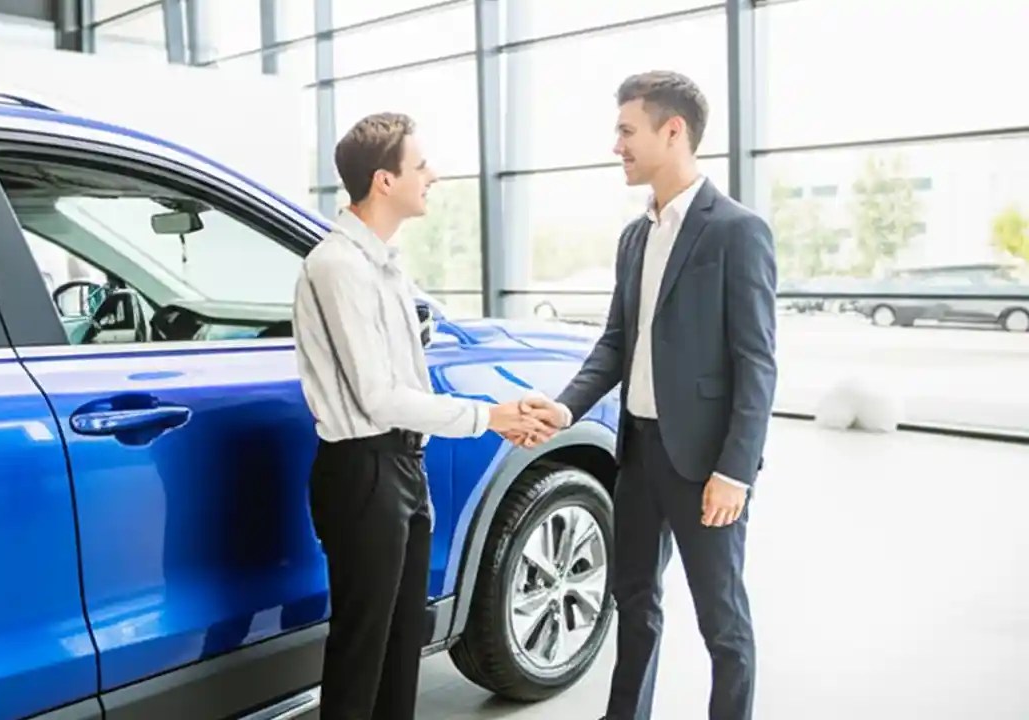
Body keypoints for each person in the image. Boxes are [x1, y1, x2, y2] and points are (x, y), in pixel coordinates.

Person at [521, 71, 778, 720]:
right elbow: (615, 343)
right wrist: (564, 407)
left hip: (706, 466)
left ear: (673, 131)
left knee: (722, 623)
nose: (617, 146)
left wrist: (734, 472)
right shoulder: (635, 236)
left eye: (626, 131)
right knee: (632, 604)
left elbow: (757, 364)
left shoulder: (737, 232)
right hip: (638, 456)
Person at [292, 111, 553, 720]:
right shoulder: (337, 266)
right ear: (384, 181)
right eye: (420, 165)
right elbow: (377, 395)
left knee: (402, 642)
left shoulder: (385, 262)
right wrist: (489, 415)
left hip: (403, 465)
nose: (431, 175)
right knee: (363, 650)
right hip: (363, 470)